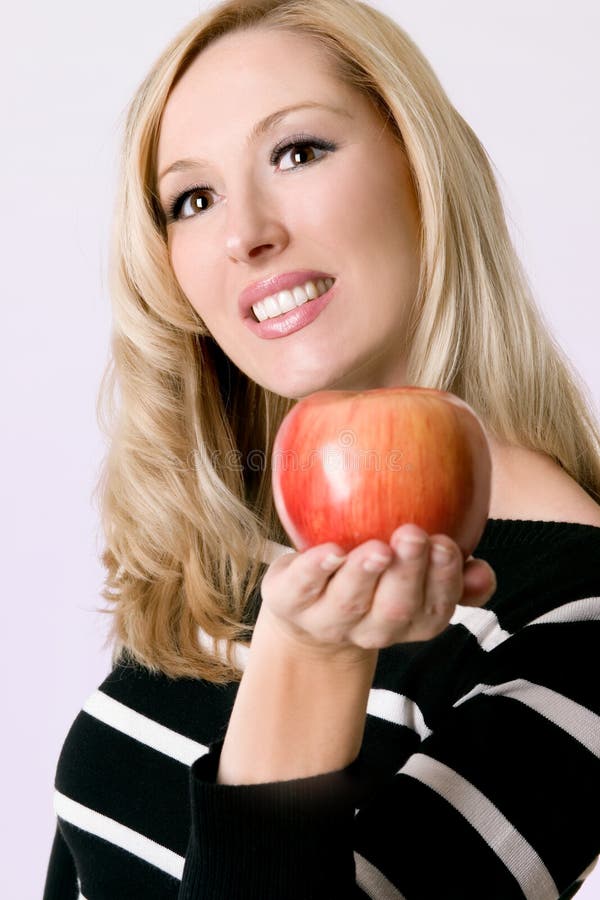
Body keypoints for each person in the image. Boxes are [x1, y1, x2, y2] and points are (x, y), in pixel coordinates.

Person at [43, 0, 600, 897]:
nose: (244, 233)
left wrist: (313, 661)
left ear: (420, 167)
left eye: (296, 152)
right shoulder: (244, 533)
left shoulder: (577, 624)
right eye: (193, 198)